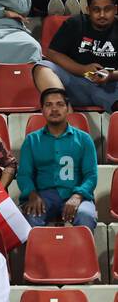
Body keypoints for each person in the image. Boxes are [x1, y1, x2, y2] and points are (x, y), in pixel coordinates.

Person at [18, 86, 99, 230]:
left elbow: (91, 176)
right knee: (31, 215)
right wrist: (32, 195)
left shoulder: (84, 139)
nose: (54, 109)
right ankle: (38, 253)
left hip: (76, 194)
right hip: (43, 195)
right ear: (42, 110)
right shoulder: (31, 140)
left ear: (68, 108)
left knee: (85, 215)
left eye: (60, 104)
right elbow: (24, 175)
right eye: (49, 105)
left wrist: (77, 196)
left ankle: (81, 253)